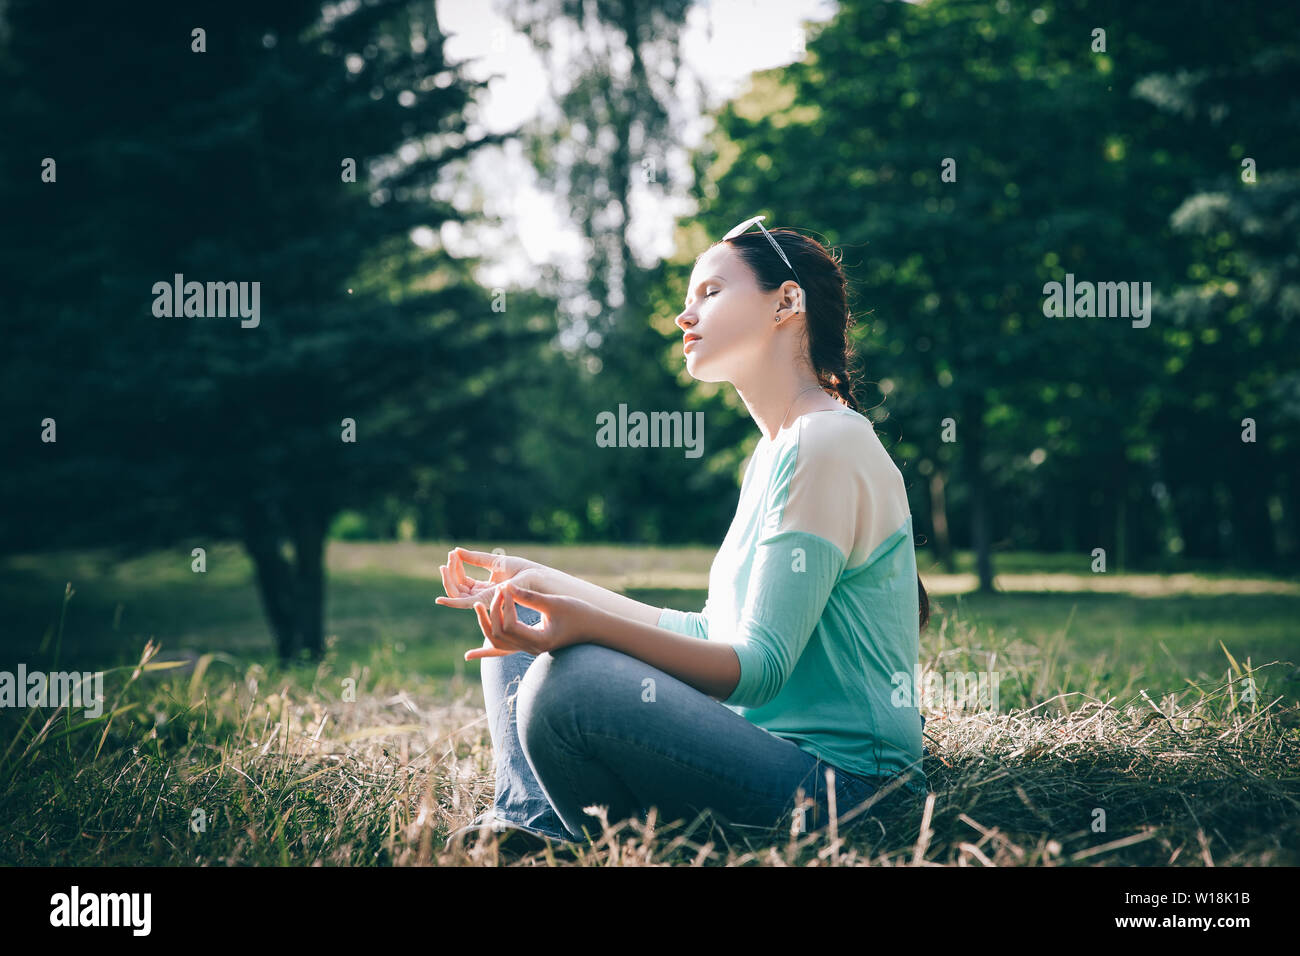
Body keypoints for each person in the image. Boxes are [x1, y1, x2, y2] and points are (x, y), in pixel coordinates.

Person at [438, 216, 930, 854]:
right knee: (518, 634)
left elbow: (757, 670)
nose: (683, 315)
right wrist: (535, 581)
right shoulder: (778, 453)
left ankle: (549, 835)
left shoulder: (827, 442)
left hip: (849, 797)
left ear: (786, 302)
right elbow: (708, 633)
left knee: (570, 685)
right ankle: (535, 831)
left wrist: (586, 628)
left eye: (710, 292)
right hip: (762, 757)